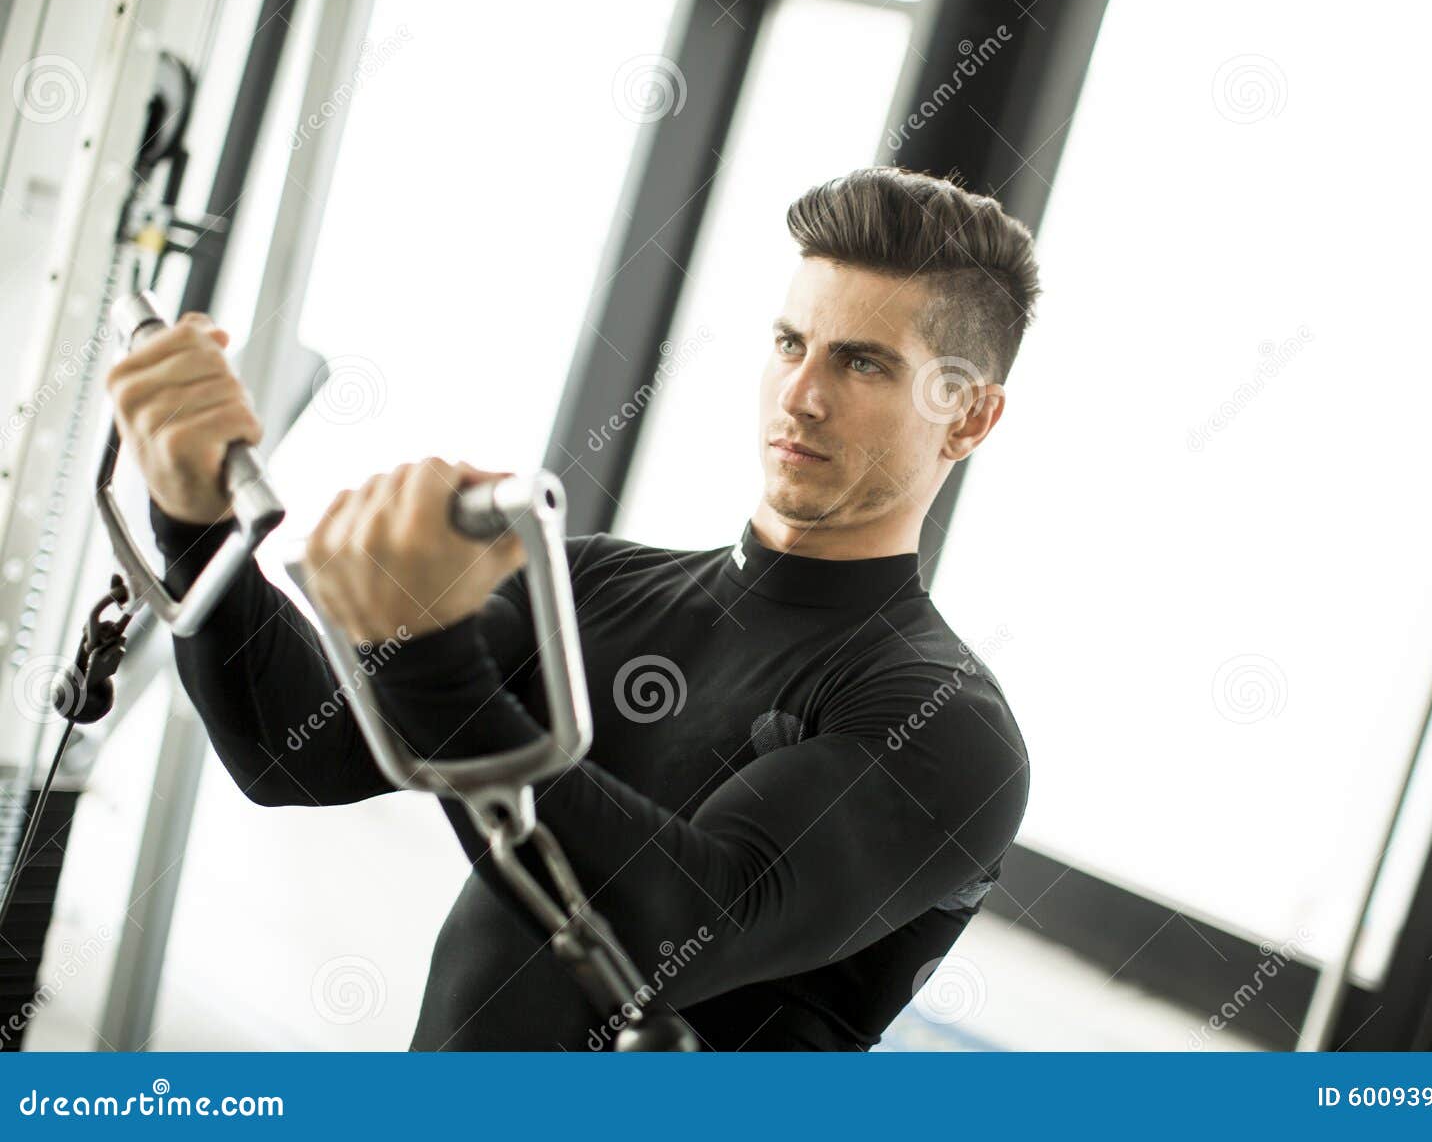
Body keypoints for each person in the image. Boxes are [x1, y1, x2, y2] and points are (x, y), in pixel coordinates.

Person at [108, 166, 1041, 1050]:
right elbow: (295, 751)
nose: (800, 395)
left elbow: (685, 927)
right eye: (791, 344)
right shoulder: (591, 584)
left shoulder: (949, 724)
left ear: (968, 416)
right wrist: (195, 519)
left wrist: (435, 658)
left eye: (864, 364)